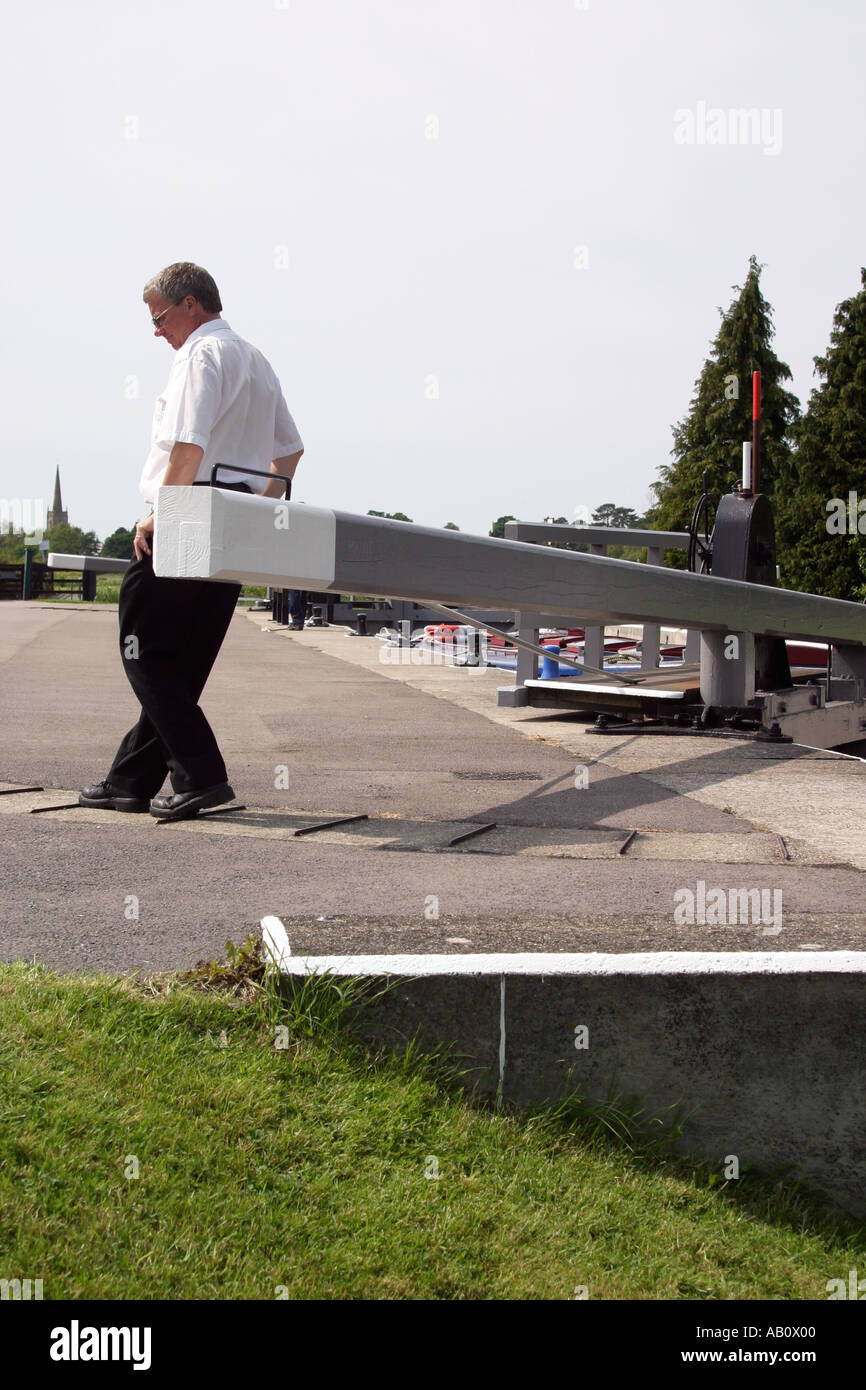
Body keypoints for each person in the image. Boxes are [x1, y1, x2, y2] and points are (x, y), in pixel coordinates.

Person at [79, 262, 303, 820]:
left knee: (143, 650)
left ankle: (202, 775)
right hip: (235, 522)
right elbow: (291, 452)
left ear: (190, 306)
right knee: (183, 661)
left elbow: (187, 444)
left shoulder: (200, 355)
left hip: (190, 513)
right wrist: (259, 507)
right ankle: (130, 780)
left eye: (159, 318)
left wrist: (162, 513)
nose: (156, 331)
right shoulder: (256, 359)